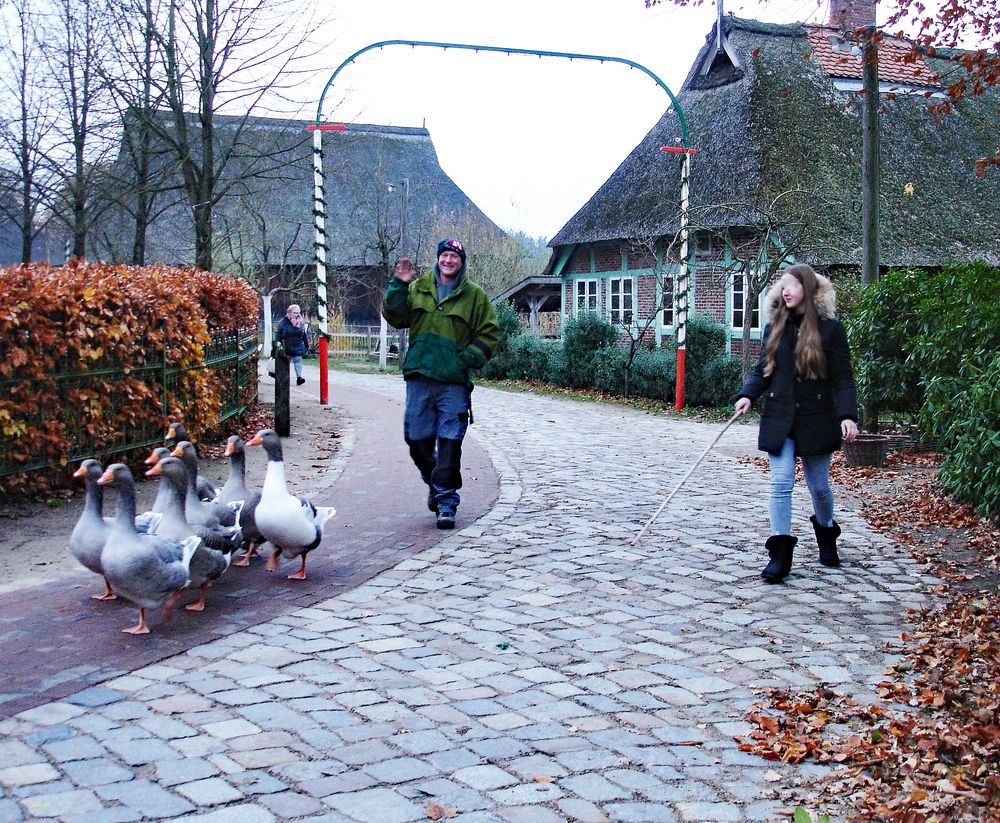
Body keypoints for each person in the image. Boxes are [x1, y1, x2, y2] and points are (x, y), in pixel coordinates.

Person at [733, 264, 859, 583]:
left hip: (817, 418)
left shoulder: (831, 329)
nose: (785, 291)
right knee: (781, 481)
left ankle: (826, 533)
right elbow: (763, 367)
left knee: (819, 486)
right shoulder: (775, 326)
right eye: (783, 286)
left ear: (808, 289)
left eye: (792, 285)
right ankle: (780, 555)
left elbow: (843, 378)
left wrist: (848, 415)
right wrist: (748, 395)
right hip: (779, 416)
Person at [381, 239, 500, 529]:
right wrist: (398, 284)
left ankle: (446, 503)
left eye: (454, 257)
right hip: (420, 377)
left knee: (449, 445)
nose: (448, 261)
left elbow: (490, 334)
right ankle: (436, 486)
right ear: (438, 259)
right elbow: (394, 316)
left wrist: (465, 359)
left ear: (461, 262)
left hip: (453, 385)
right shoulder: (418, 288)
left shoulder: (474, 296)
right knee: (416, 441)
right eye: (444, 255)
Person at [274, 304, 309, 385]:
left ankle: (299, 377)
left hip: (297, 344)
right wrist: (277, 343)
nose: (296, 314)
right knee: (286, 363)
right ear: (289, 312)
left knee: (298, 361)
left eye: (298, 313)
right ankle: (284, 379)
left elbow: (304, 334)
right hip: (286, 345)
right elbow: (278, 333)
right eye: (294, 312)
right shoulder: (284, 322)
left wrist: (306, 344)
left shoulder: (301, 322)